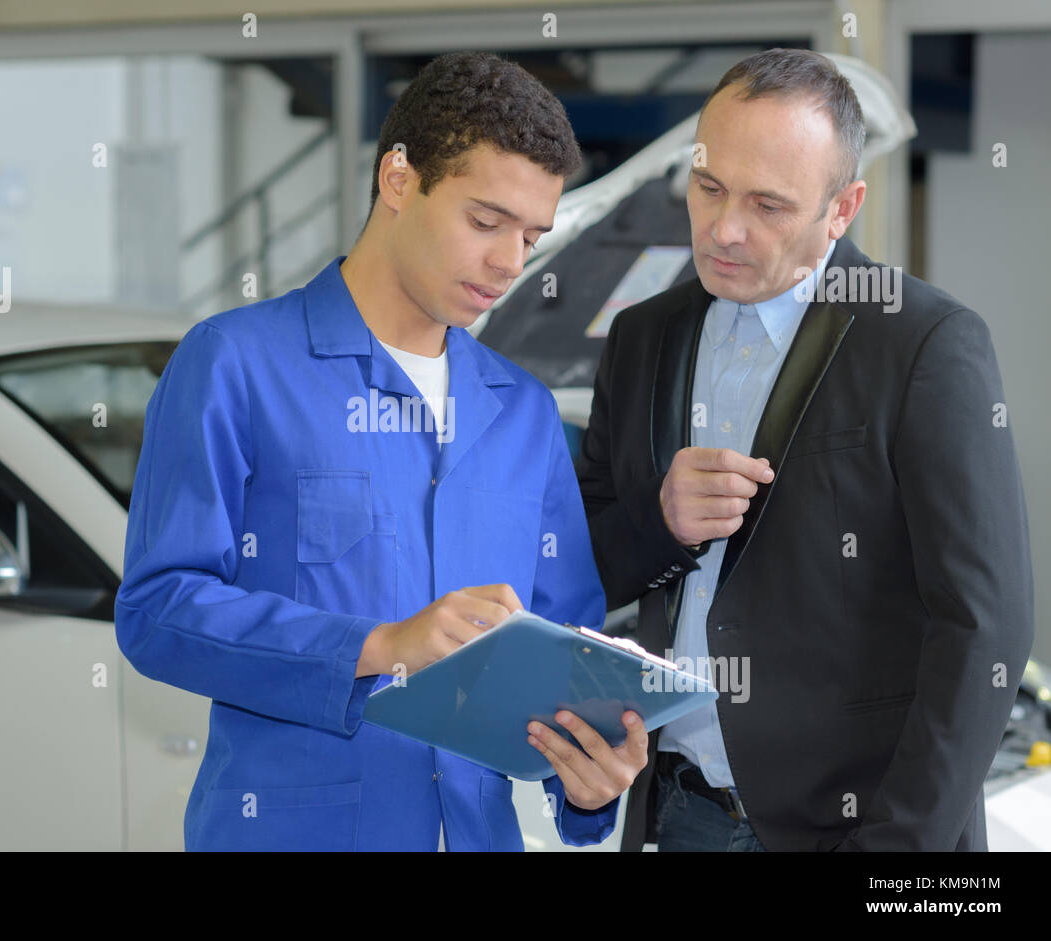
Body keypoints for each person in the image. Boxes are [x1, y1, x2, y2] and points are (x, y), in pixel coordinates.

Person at [115, 51, 647, 851]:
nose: (510, 263)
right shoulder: (235, 364)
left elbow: (566, 657)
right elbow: (157, 611)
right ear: (398, 178)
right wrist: (378, 646)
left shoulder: (523, 414)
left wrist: (590, 779)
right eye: (485, 221)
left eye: (531, 235)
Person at [578, 47, 1034, 851]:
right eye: (709, 186)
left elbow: (984, 625)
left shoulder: (925, 341)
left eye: (768, 205)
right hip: (678, 815)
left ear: (842, 207)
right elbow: (587, 566)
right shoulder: (640, 337)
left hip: (859, 830)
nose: (724, 229)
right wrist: (660, 521)